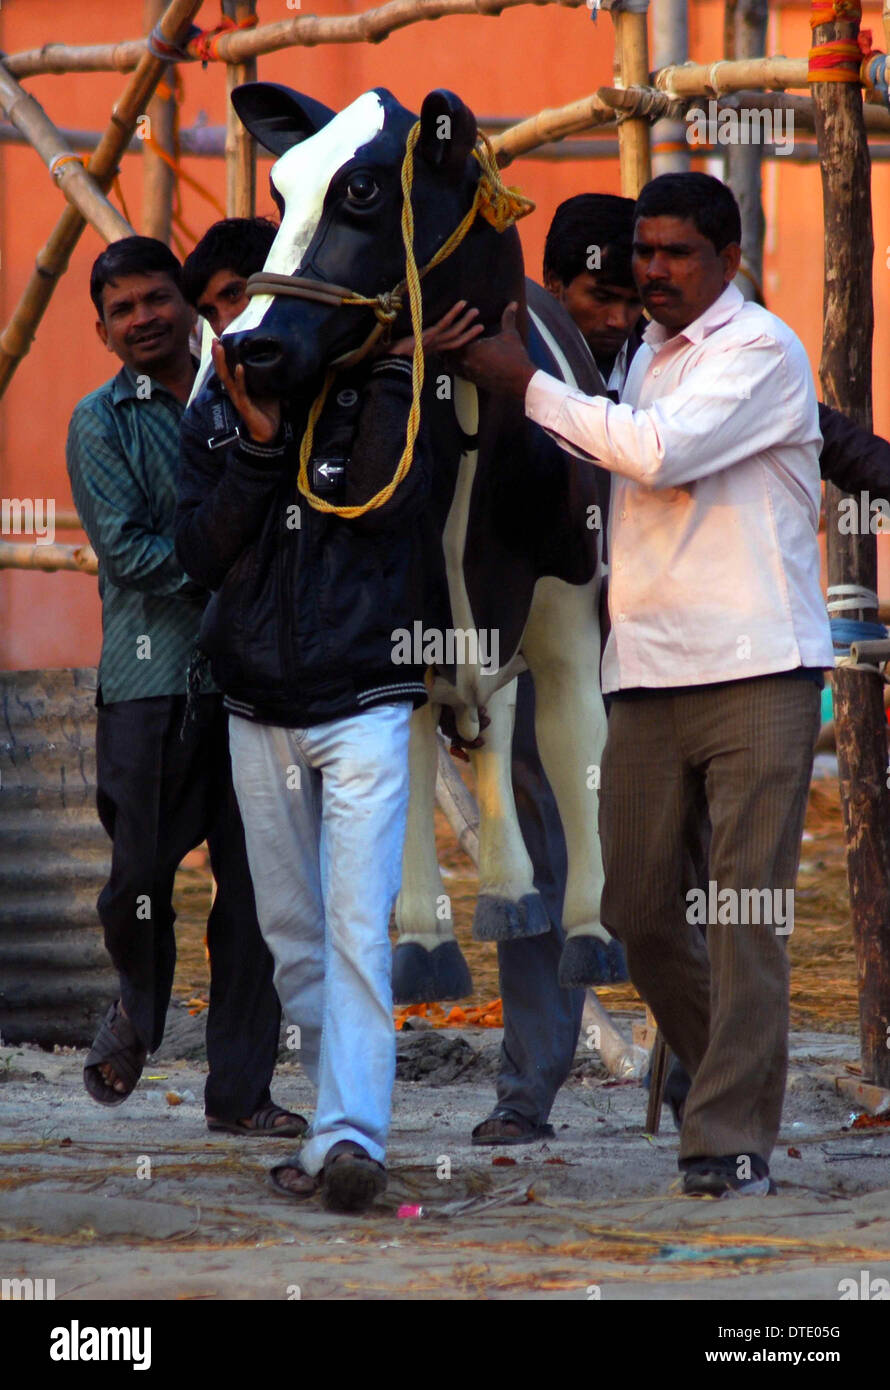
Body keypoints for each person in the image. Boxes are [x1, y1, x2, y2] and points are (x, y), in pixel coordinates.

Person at [450, 172, 836, 1197]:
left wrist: (520, 383)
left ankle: (726, 1138)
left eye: (674, 254)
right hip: (643, 678)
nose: (650, 270)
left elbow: (656, 459)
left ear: (729, 260)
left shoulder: (758, 351)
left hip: (756, 670)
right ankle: (733, 1078)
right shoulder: (640, 363)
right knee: (631, 907)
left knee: (744, 912)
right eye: (643, 252)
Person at [174, 220, 479, 1209]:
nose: (242, 324)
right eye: (223, 307)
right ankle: (329, 1128)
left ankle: (352, 1135)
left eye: (254, 300)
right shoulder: (213, 410)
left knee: (354, 925)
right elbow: (201, 553)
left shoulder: (384, 382)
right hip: (255, 702)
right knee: (293, 937)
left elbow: (384, 507)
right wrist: (258, 446)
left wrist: (391, 377)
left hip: (364, 697)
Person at [67, 235, 304, 1139]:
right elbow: (127, 551)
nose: (142, 319)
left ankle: (241, 1096)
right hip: (151, 683)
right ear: (101, 330)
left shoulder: (244, 384)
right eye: (121, 310)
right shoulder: (101, 421)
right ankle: (139, 1007)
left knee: (252, 896)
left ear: (189, 302)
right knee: (136, 880)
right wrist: (233, 567)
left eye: (155, 299)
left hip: (249, 683)